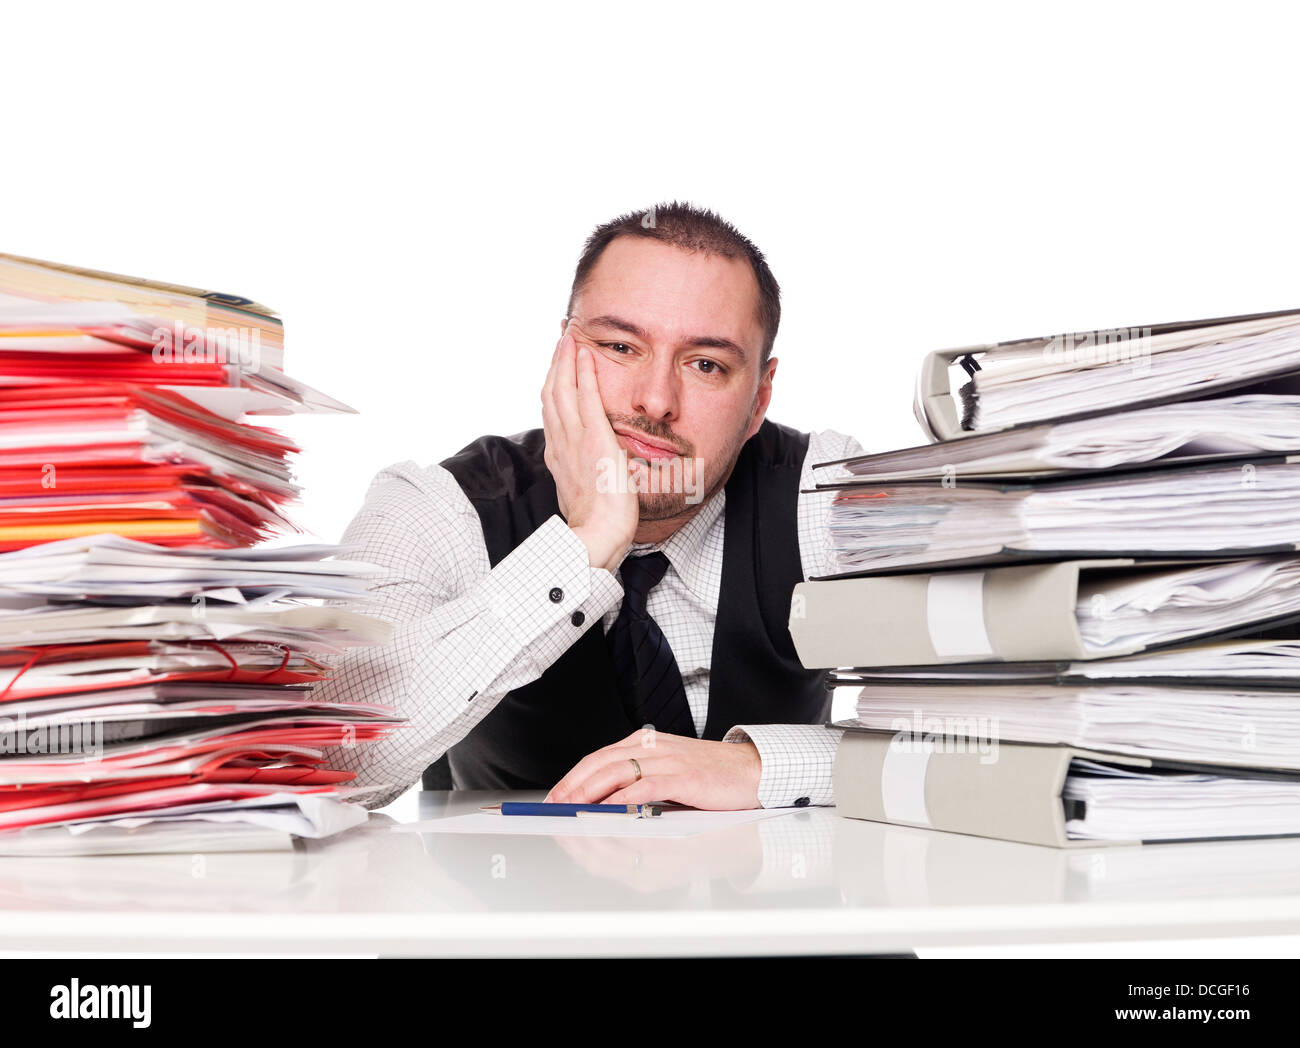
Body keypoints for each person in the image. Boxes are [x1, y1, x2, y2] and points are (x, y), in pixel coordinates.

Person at [315, 201, 862, 811]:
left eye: (706, 364)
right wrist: (586, 545)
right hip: (505, 901)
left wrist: (762, 767)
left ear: (759, 398)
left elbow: (974, 737)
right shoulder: (438, 510)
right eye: (621, 347)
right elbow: (321, 763)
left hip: (777, 901)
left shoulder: (828, 496)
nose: (656, 401)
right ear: (562, 354)